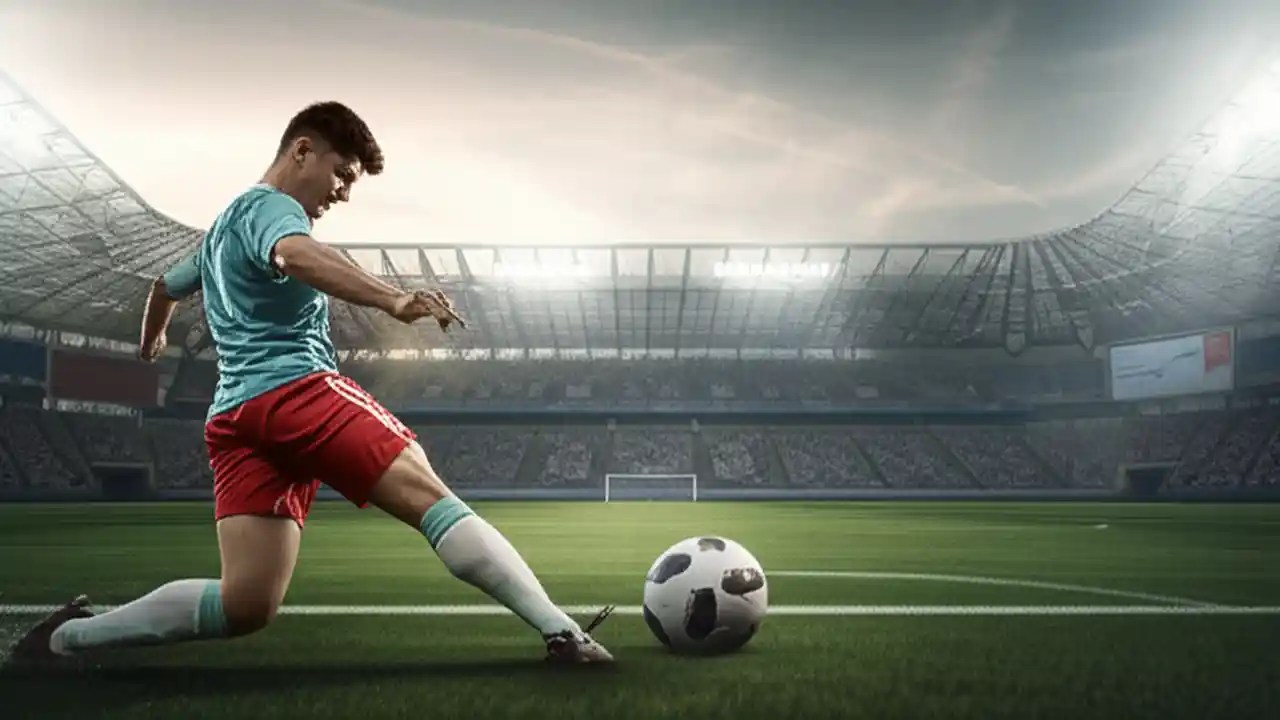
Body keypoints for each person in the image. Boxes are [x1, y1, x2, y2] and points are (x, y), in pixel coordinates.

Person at [9, 101, 613, 665]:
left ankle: (66, 638)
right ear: (303, 151)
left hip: (234, 421)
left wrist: (153, 341)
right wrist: (394, 298)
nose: (343, 193)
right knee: (432, 499)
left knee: (245, 603)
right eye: (342, 174)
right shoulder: (273, 210)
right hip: (297, 392)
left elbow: (163, 287)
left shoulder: (221, 231)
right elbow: (294, 256)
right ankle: (561, 629)